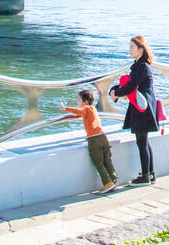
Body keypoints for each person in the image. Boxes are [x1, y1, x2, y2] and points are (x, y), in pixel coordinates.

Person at [109, 35, 158, 185]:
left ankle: (145, 177)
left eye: (132, 47)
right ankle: (150, 175)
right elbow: (130, 85)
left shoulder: (141, 66)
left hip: (142, 109)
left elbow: (131, 86)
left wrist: (115, 93)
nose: (130, 50)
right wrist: (116, 90)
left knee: (142, 143)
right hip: (144, 107)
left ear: (141, 49)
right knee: (144, 142)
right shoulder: (140, 65)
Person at [61, 88, 117, 193]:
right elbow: (80, 114)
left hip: (94, 139)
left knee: (98, 162)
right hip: (103, 137)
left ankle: (107, 183)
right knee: (107, 159)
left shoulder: (85, 108)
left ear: (85, 102)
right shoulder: (93, 109)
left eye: (79, 100)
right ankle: (114, 179)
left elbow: (79, 111)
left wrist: (65, 108)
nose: (78, 103)